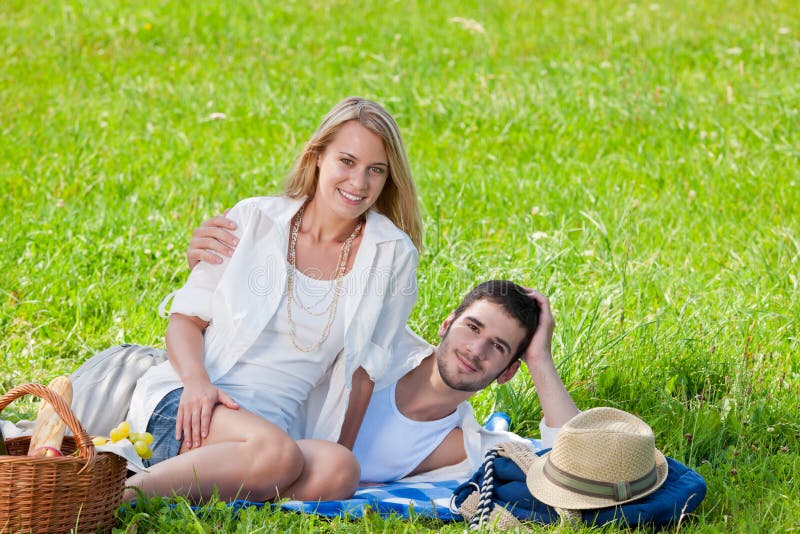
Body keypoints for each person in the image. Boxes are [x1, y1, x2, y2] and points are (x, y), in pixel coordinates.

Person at [124, 97, 423, 503]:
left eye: (376, 170)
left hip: (279, 436)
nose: (359, 183)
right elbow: (185, 320)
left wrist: (342, 449)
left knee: (341, 469)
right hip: (193, 405)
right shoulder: (254, 219)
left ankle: (221, 478)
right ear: (318, 156)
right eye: (347, 161)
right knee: (277, 454)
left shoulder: (392, 253)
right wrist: (197, 385)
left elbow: (364, 372)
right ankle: (121, 499)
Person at [194, 216, 580, 483]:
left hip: (248, 469)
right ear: (447, 323)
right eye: (473, 327)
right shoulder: (378, 340)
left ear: (508, 371)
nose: (476, 349)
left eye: (497, 346)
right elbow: (287, 307)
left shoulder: (459, 446)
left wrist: (540, 359)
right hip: (211, 417)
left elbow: (577, 462)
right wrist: (215, 265)